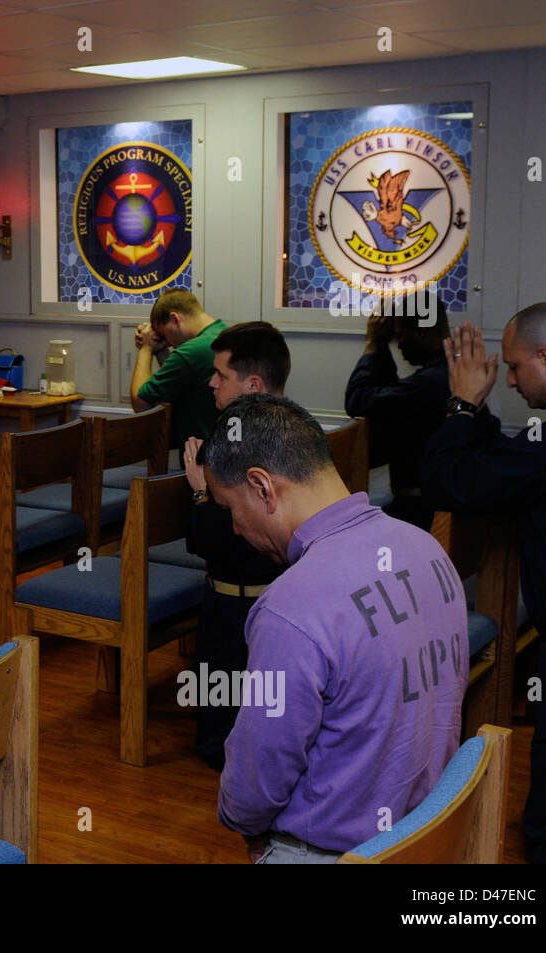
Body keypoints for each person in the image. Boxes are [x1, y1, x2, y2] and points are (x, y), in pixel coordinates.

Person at [204, 394, 466, 863]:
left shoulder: (290, 607)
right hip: (425, 837)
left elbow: (256, 783)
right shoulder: (427, 548)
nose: (237, 530)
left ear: (262, 487)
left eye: (228, 508)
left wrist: (241, 821)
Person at [421, 304, 546, 864]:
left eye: (515, 368)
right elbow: (517, 460)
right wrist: (480, 412)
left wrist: (463, 403)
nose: (510, 379)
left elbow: (448, 482)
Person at [180, 322, 290, 771]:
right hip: (283, 599)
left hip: (236, 605)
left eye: (221, 374)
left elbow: (207, 541)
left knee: (220, 746)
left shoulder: (234, 443)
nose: (211, 382)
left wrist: (200, 489)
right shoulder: (297, 429)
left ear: (254, 384)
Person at [344, 292, 450, 529]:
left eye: (401, 336)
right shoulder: (450, 372)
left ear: (422, 332)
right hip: (432, 502)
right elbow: (391, 397)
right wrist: (382, 347)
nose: (399, 344)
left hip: (419, 512)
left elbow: (358, 401)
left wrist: (373, 343)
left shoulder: (428, 384)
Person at [129, 289, 226, 448]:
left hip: (201, 459)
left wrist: (146, 348)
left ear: (174, 319)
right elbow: (181, 380)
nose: (167, 342)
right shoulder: (224, 333)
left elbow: (140, 404)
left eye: (163, 334)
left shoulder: (191, 351)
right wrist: (160, 351)